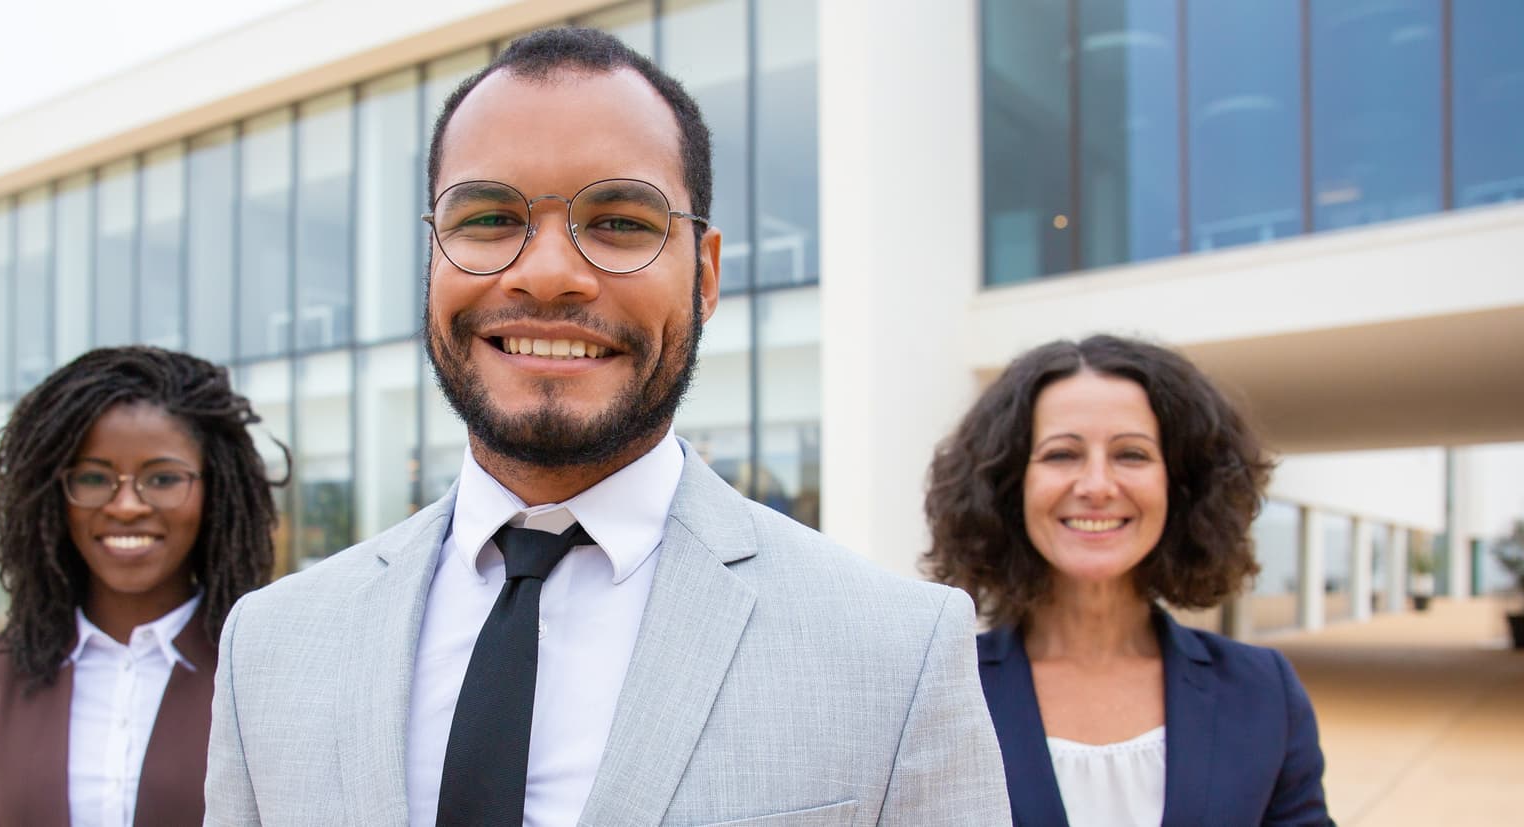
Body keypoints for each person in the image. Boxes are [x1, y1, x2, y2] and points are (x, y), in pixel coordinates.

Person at [205, 27, 1009, 826]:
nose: (548, 274)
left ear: (706, 275)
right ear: (433, 257)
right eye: (489, 217)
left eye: (619, 223)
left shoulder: (897, 652)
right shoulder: (269, 647)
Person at [924, 334, 1333, 826]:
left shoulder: (1263, 690)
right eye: (1062, 454)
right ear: (1011, 487)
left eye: (1131, 454)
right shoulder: (940, 694)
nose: (1096, 486)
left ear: (1181, 486)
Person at [0, 346, 283, 827]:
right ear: (51, 495)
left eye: (163, 478)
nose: (126, 505)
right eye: (94, 477)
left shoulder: (267, 677)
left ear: (216, 491)